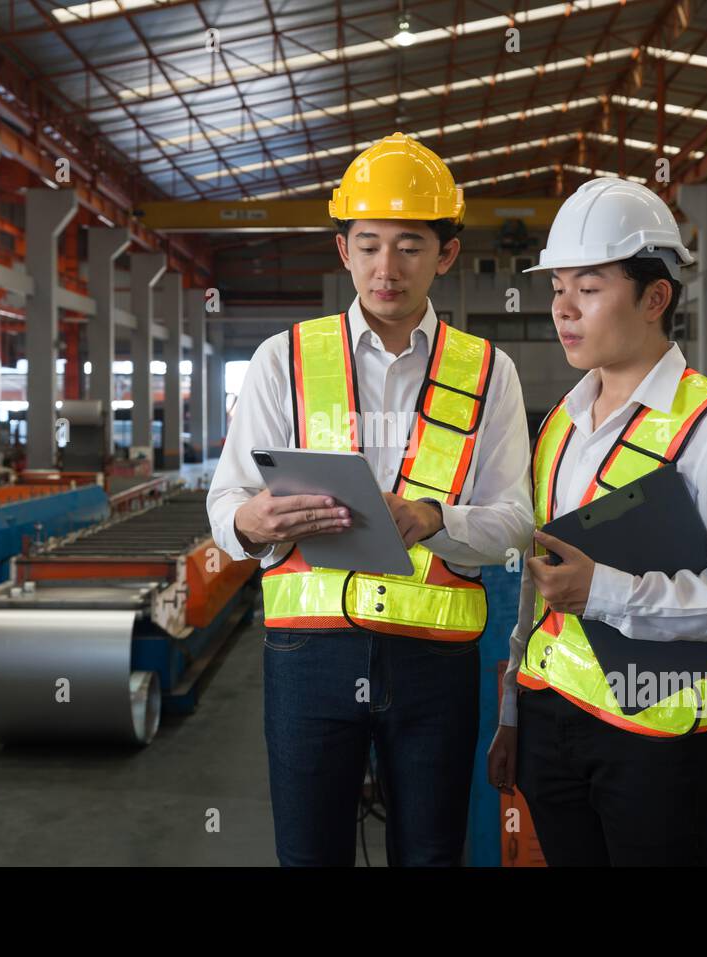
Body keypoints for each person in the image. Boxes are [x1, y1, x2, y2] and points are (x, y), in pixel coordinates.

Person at [208, 132, 534, 866]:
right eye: (370, 243)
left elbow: (516, 523)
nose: (388, 267)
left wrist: (432, 519)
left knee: (430, 854)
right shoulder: (282, 360)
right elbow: (227, 494)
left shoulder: (490, 373)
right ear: (343, 249)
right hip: (308, 655)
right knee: (310, 854)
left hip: (436, 664)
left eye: (411, 245)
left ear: (446, 253)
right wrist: (247, 520)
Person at [486, 177, 707, 866]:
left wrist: (607, 592)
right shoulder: (559, 424)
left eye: (588, 288)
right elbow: (537, 588)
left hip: (656, 742)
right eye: (557, 286)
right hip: (549, 718)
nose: (563, 308)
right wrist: (512, 708)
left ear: (656, 297)